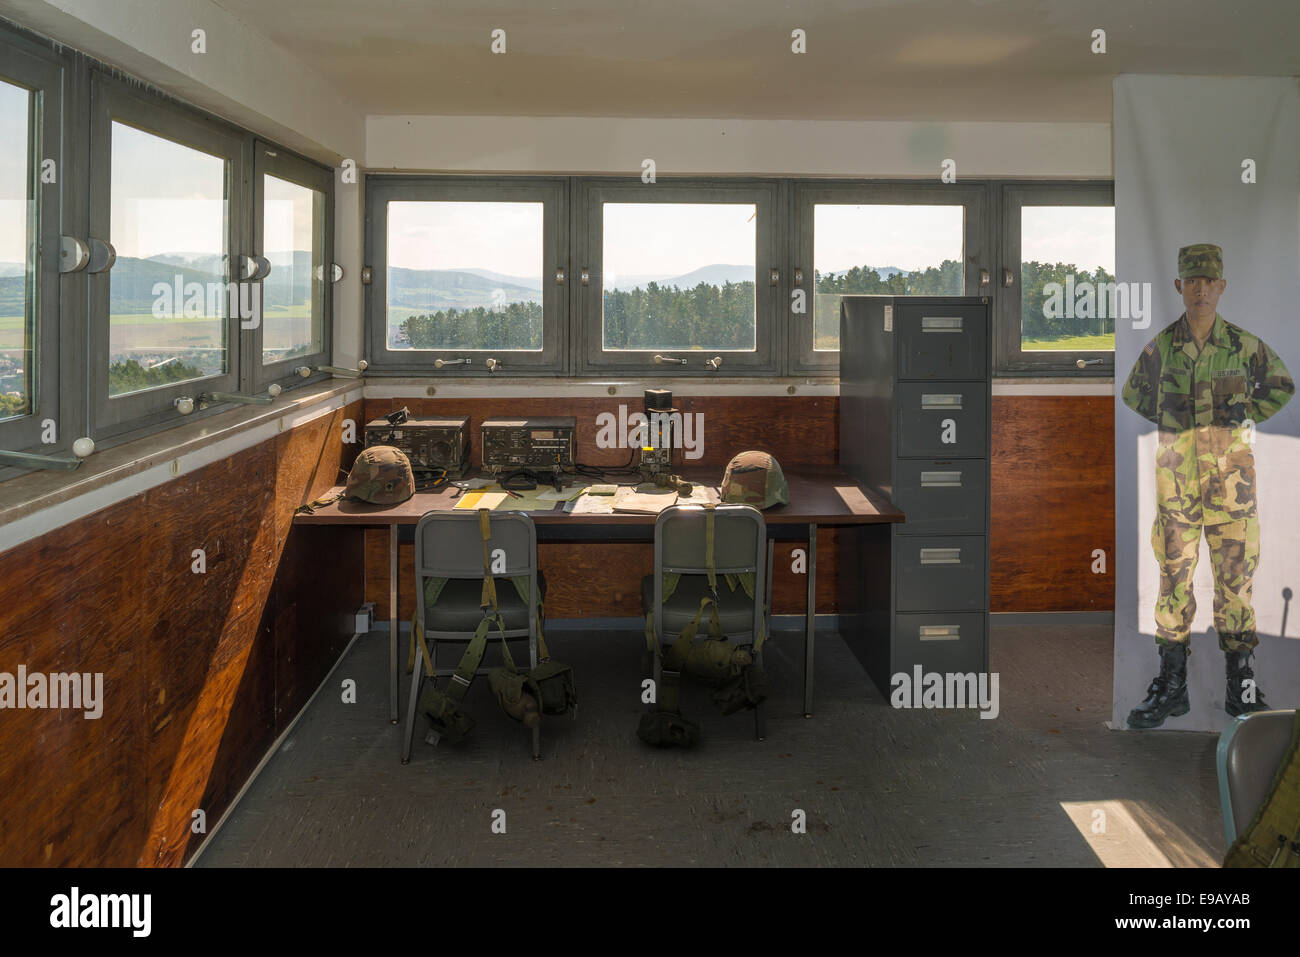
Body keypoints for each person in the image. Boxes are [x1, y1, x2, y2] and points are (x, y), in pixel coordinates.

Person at [1121, 243, 1294, 729]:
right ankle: (1170, 688)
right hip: (1176, 486)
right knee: (1174, 584)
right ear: (1179, 286)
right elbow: (1133, 393)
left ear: (1222, 286)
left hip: (1232, 489)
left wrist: (1242, 418)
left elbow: (1281, 386)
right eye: (1191, 281)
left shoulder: (1243, 347)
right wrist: (1174, 426)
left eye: (1208, 281)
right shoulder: (1160, 348)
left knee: (1235, 587)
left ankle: (1241, 690)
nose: (1200, 289)